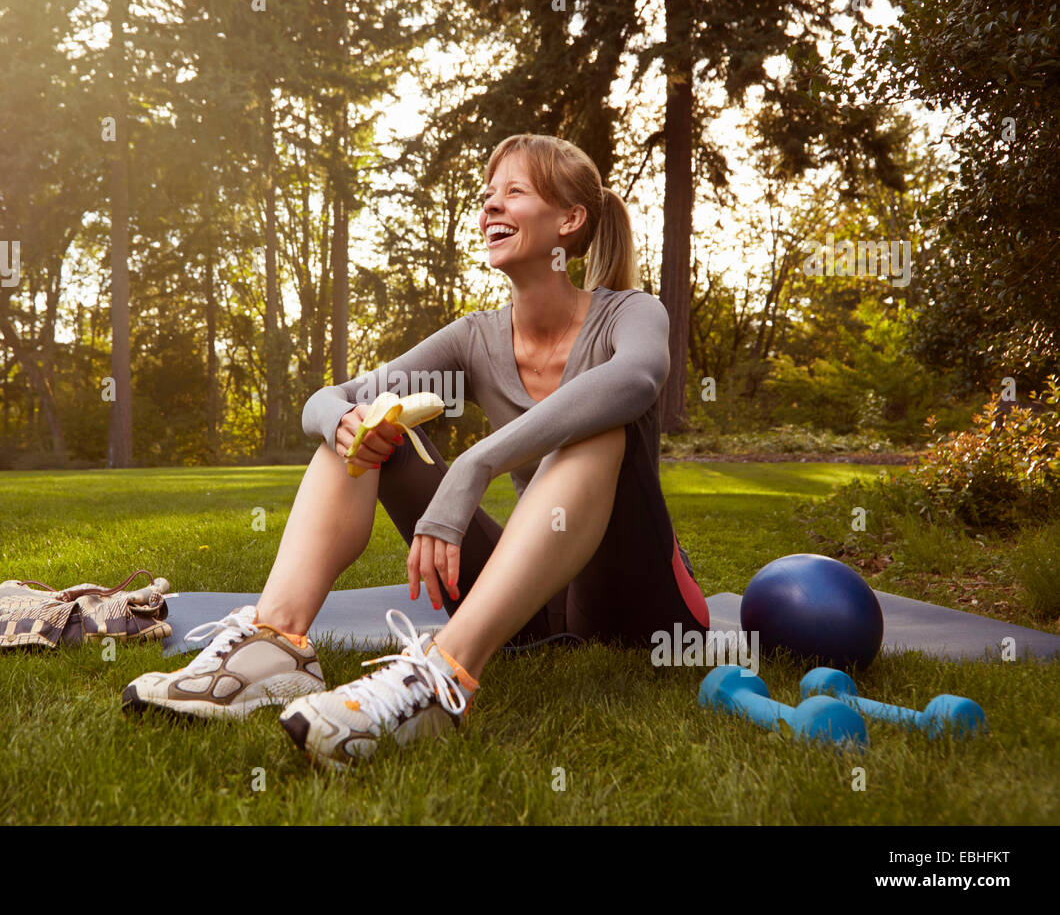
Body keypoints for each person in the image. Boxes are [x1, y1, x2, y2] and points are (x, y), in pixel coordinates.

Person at [122, 133, 709, 769]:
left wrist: (475, 464)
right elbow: (328, 398)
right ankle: (275, 644)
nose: (490, 208)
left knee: (597, 428)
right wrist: (345, 420)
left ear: (570, 220)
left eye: (513, 192)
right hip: (528, 605)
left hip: (635, 605)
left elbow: (637, 381)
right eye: (488, 197)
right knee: (366, 423)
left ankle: (442, 678)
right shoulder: (475, 336)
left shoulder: (631, 313)